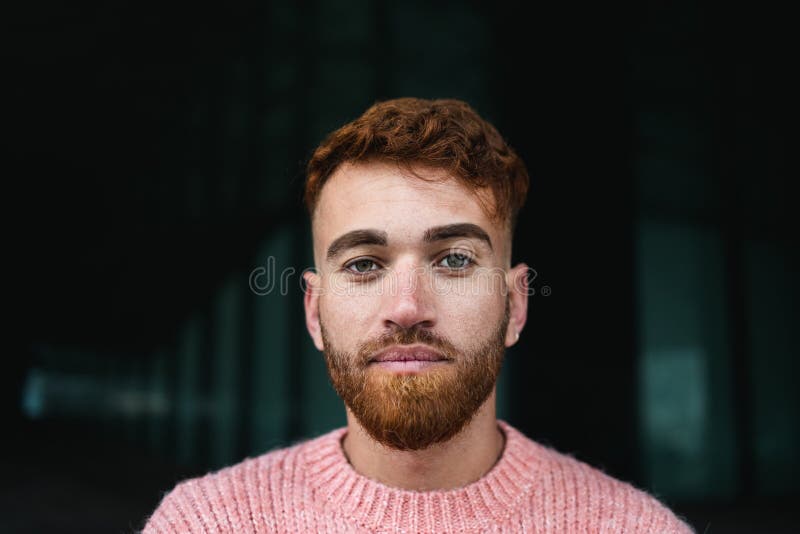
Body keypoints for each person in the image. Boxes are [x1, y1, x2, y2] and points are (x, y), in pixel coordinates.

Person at [143, 98, 693, 533]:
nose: (407, 308)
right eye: (363, 264)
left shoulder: (634, 528)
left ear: (515, 305)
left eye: (454, 259)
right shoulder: (206, 523)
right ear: (314, 312)